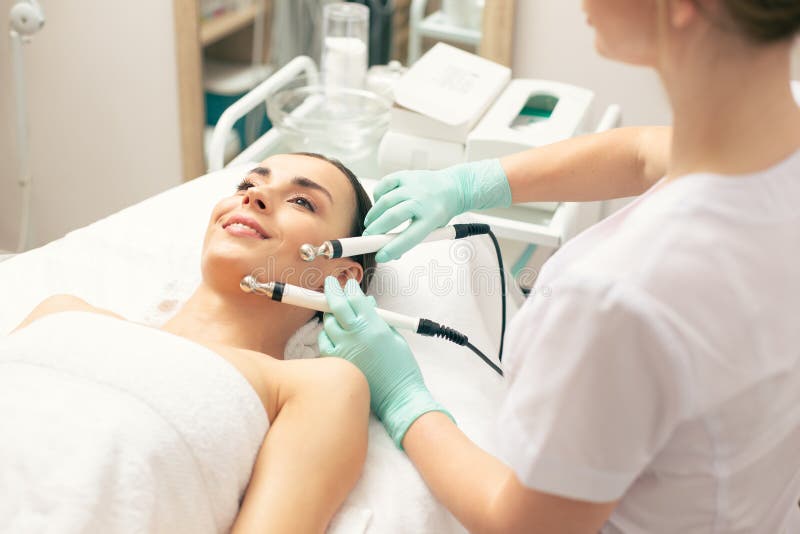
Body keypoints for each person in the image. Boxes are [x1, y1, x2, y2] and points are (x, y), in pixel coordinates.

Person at [319, 1, 800, 532]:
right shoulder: (778, 124)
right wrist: (471, 182)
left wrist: (402, 398)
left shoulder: (619, 298)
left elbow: (523, 524)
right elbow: (644, 152)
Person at [2, 153, 376, 533]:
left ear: (341, 277)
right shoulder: (61, 312)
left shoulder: (314, 386)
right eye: (248, 185)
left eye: (302, 201)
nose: (254, 197)